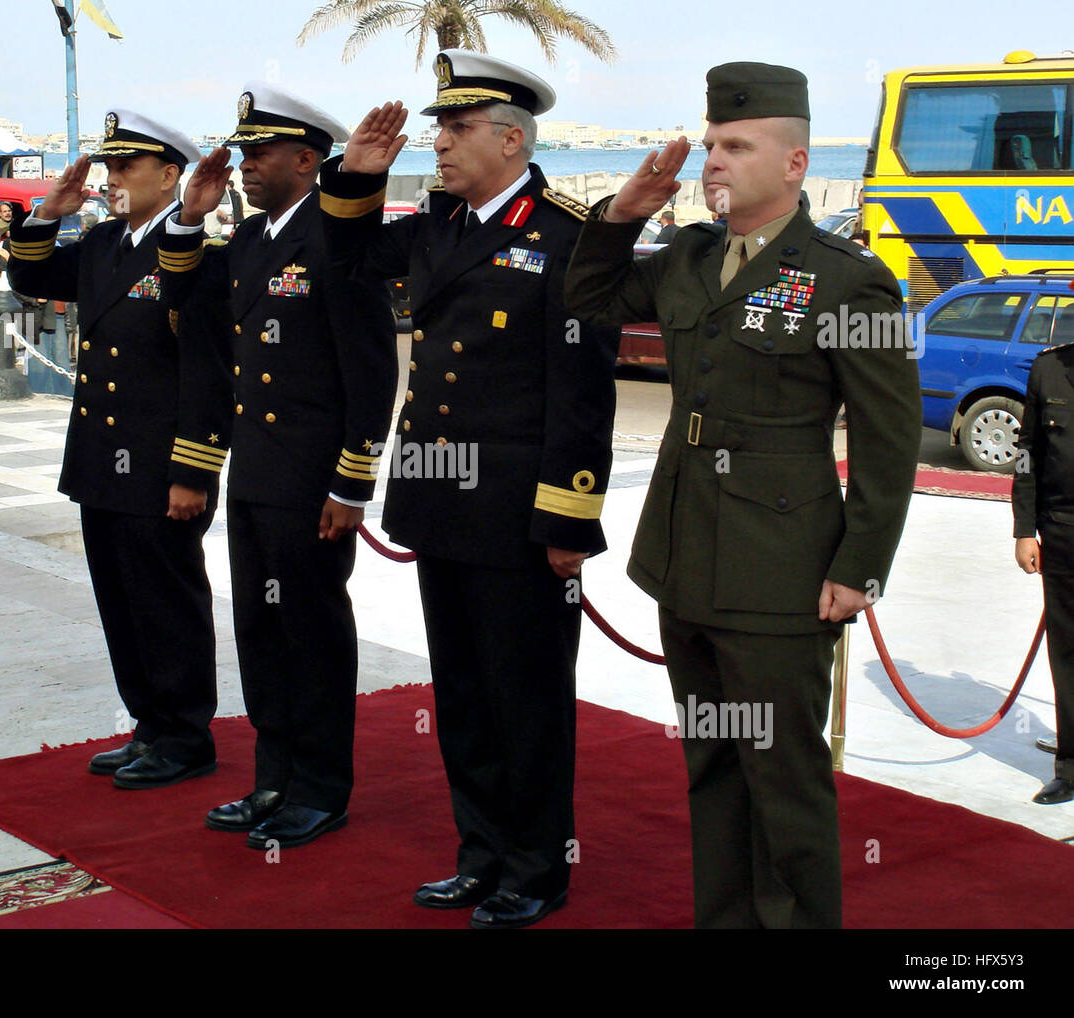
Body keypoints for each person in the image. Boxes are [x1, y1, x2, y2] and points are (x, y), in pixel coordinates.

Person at [565, 62, 922, 928]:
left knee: (783, 779)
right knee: (714, 765)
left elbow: (889, 437)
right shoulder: (687, 255)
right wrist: (623, 213)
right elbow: (587, 301)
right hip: (683, 554)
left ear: (796, 163)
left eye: (736, 145)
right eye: (711, 145)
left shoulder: (849, 279)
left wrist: (860, 566)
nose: (714, 161)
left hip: (781, 570)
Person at [321, 50, 620, 928]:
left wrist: (569, 518)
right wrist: (357, 178)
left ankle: (536, 868)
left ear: (511, 138)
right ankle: (481, 855)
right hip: (440, 500)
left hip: (519, 514)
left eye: (457, 129)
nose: (440, 143)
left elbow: (583, 394)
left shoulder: (567, 235)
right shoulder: (438, 222)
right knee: (461, 693)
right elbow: (345, 261)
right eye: (439, 129)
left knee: (525, 699)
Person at [158, 85, 398, 849]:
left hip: (313, 481)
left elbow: (372, 371)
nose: (246, 166)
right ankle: (274, 779)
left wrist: (352, 482)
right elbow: (181, 294)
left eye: (260, 153)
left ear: (305, 159)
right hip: (257, 474)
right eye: (245, 154)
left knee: (311, 633)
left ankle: (319, 788)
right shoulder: (252, 239)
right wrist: (190, 216)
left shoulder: (336, 238)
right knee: (261, 630)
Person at [8, 109, 234, 789]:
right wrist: (47, 213)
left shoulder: (195, 254)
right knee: (121, 599)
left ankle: (186, 735)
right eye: (108, 166)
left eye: (126, 166)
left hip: (160, 463)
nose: (111, 178)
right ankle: (149, 725)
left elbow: (208, 370)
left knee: (167, 601)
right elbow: (33, 280)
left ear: (169, 176)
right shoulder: (104, 242)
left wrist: (193, 470)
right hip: (101, 455)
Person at [1014, 334, 1074, 804]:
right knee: (1067, 654)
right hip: (1063, 532)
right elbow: (1027, 452)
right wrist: (1024, 530)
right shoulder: (1049, 369)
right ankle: (1070, 767)